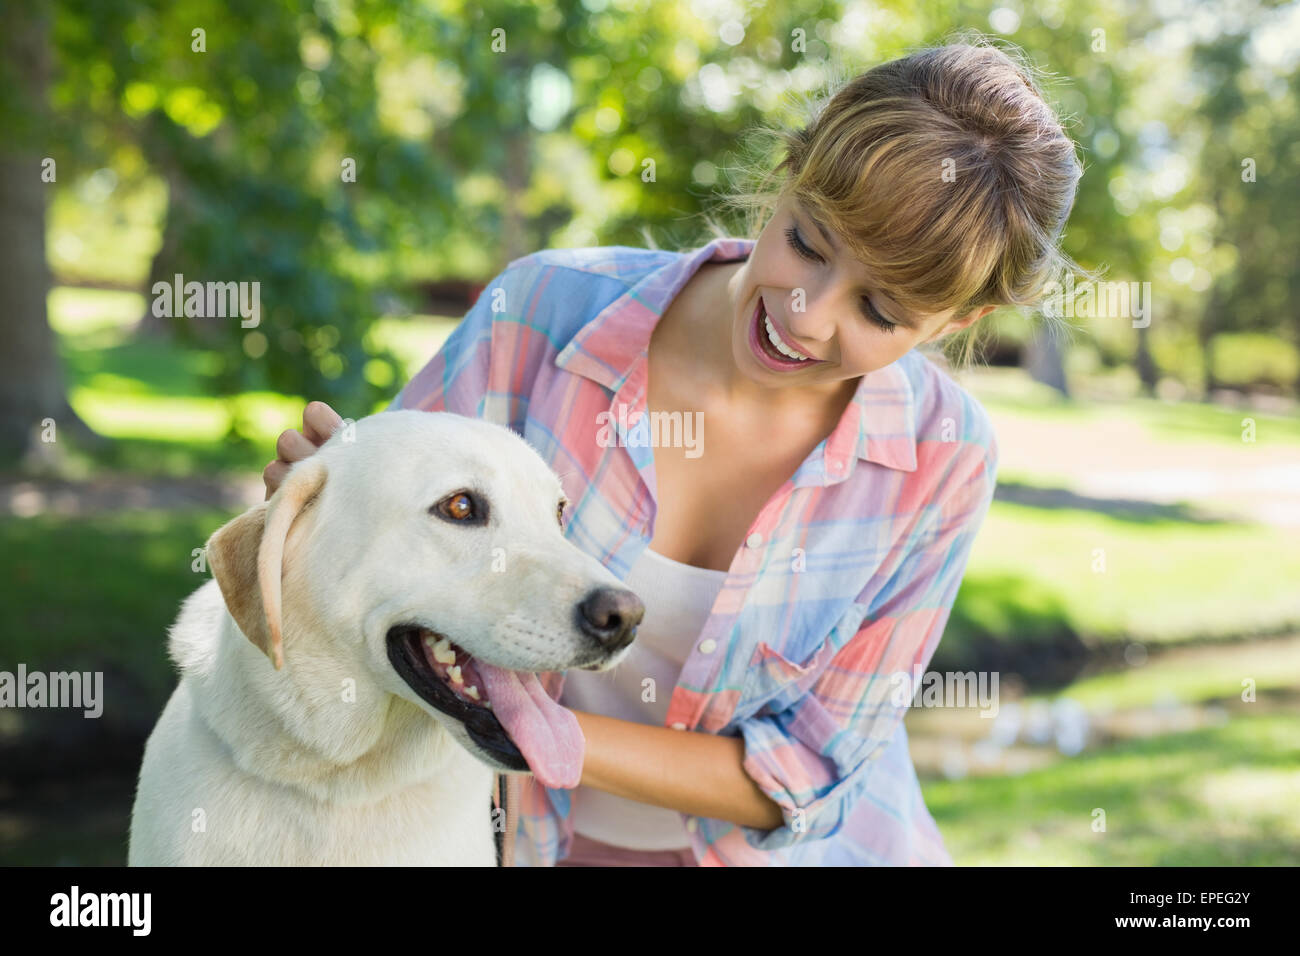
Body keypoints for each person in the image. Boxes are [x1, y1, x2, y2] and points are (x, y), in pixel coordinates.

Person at [264, 39, 1087, 866]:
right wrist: (317, 511)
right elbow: (380, 589)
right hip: (517, 843)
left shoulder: (946, 457)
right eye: (807, 243)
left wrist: (538, 736)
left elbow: (805, 768)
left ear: (955, 324)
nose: (806, 314)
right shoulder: (538, 313)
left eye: (878, 309)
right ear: (791, 172)